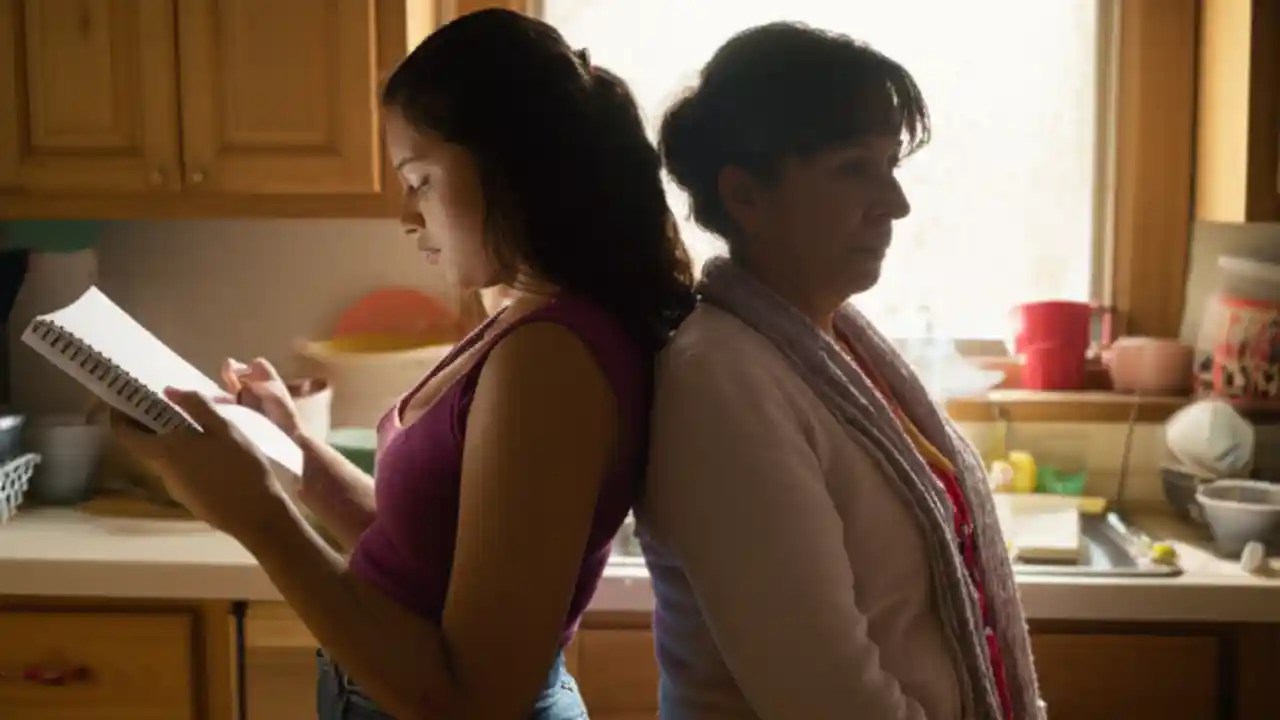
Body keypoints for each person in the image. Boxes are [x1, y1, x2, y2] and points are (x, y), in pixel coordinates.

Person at [114, 9, 693, 720]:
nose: (406, 215)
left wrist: (259, 517)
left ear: (513, 167)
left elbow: (475, 699)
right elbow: (420, 560)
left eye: (419, 180)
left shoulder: (551, 359)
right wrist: (294, 451)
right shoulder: (525, 322)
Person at [638, 23, 1043, 720]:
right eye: (854, 168)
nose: (896, 203)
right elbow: (829, 698)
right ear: (746, 197)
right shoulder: (722, 381)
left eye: (890, 164)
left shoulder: (838, 348)